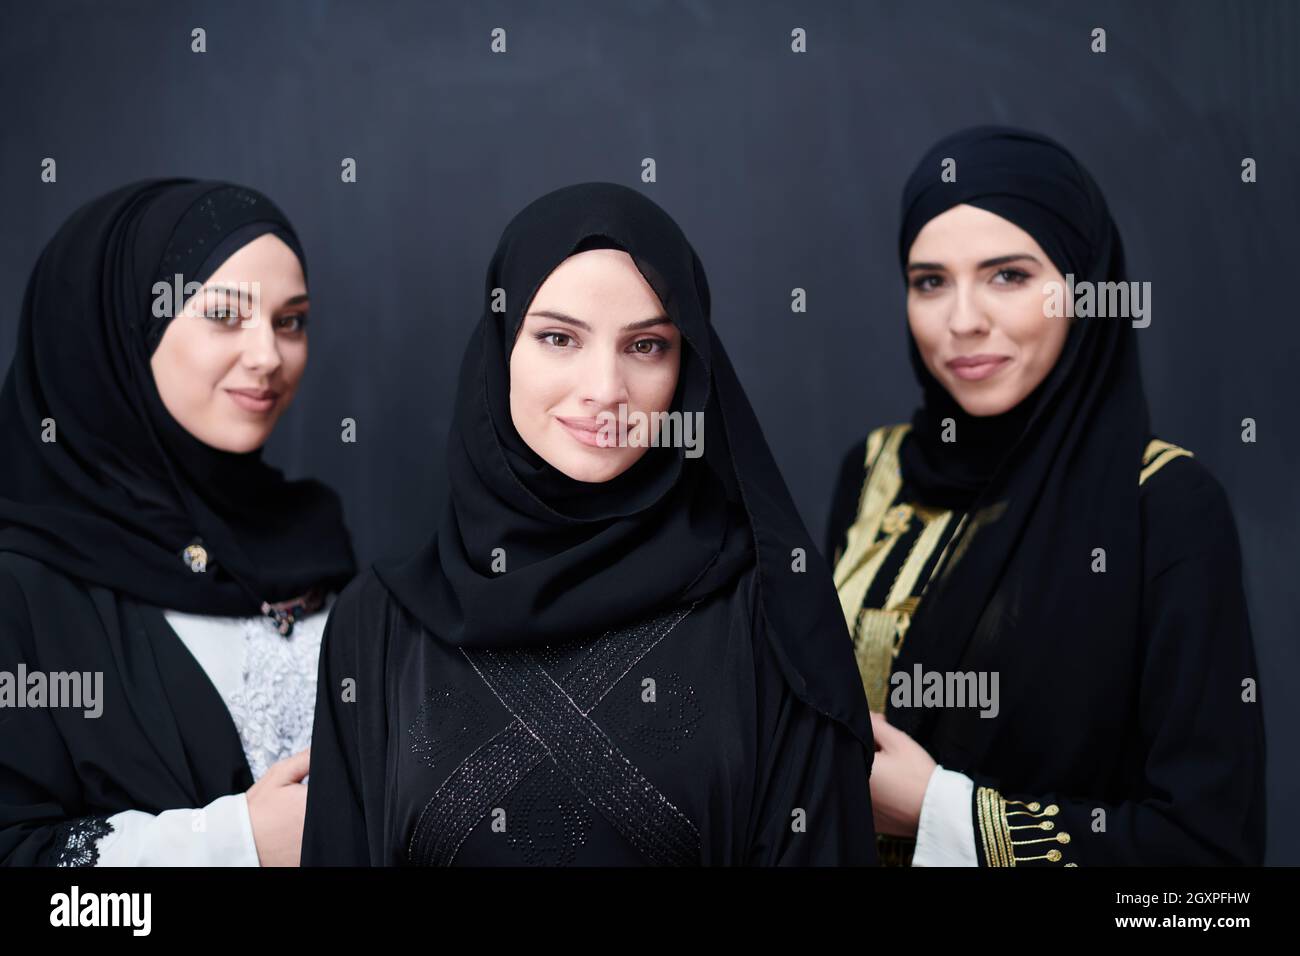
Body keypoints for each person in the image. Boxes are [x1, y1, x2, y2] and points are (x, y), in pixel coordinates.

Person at [302, 182, 877, 866]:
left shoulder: (771, 611)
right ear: (499, 349)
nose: (605, 388)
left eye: (646, 346)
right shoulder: (378, 625)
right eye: (558, 337)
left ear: (688, 370)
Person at [825, 127, 1265, 866]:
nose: (963, 319)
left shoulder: (1165, 507)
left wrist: (942, 813)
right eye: (930, 281)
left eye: (1008, 276)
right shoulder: (875, 470)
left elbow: (1207, 864)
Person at [0, 180, 355, 866]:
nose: (268, 356)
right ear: (119, 330)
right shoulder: (22, 587)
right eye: (225, 315)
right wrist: (235, 842)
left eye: (291, 320)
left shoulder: (314, 545)